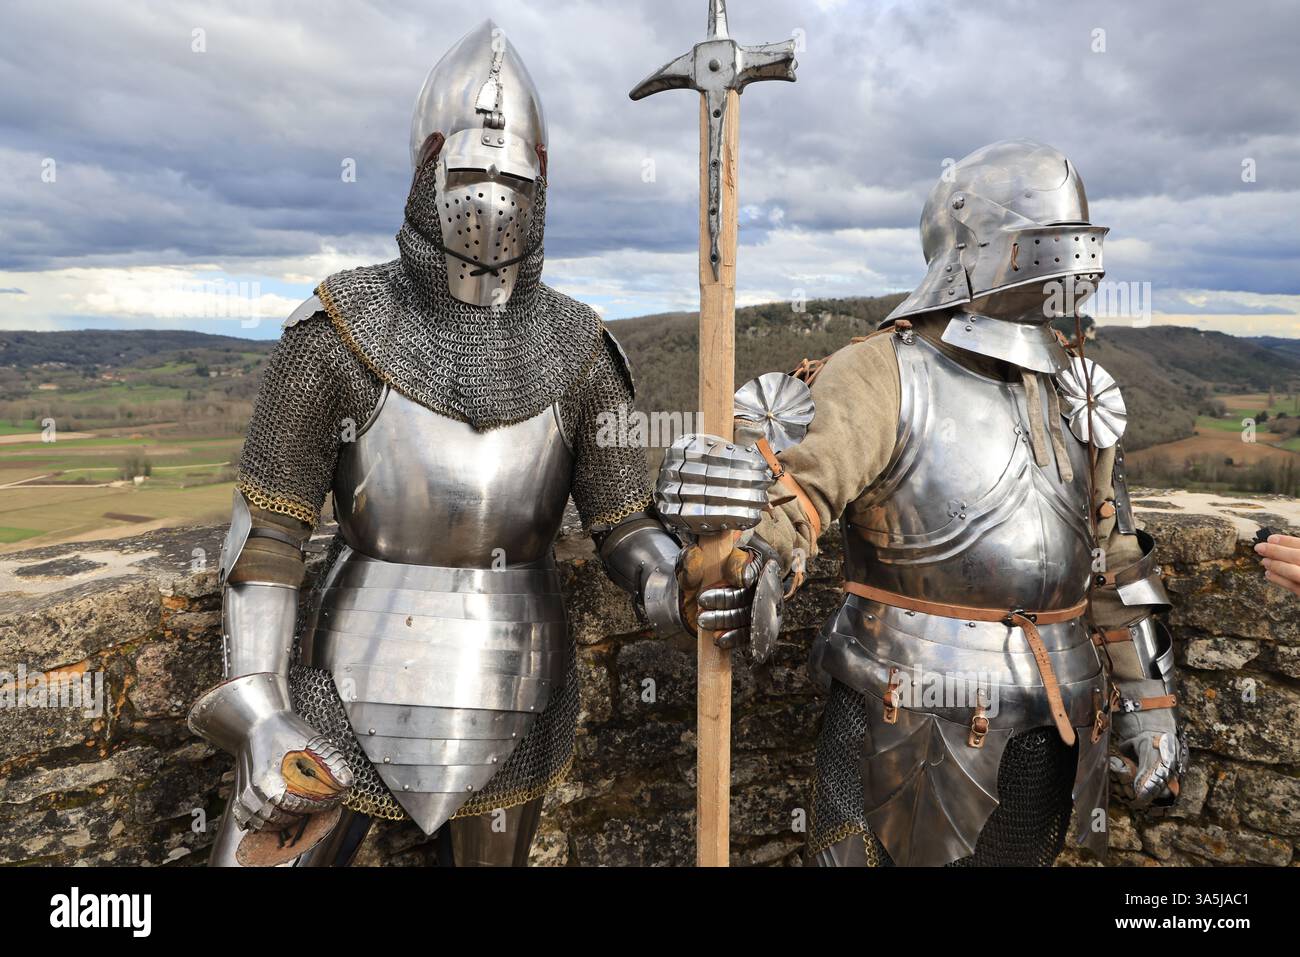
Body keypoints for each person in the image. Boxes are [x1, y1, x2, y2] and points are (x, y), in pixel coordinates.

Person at [187, 20, 758, 867]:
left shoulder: (579, 345)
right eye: (467, 172)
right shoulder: (340, 328)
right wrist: (266, 717)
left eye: (510, 177)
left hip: (515, 681)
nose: (488, 200)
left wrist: (678, 582)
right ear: (425, 171)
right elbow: (268, 532)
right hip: (347, 670)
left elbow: (621, 523)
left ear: (544, 186)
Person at [658, 141, 1184, 866]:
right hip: (904, 717)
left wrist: (1150, 706)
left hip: (1055, 717)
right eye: (1050, 246)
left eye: (1077, 245)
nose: (1072, 266)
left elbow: (1113, 560)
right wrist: (758, 555)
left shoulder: (1073, 385)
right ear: (976, 246)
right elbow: (801, 492)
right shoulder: (884, 372)